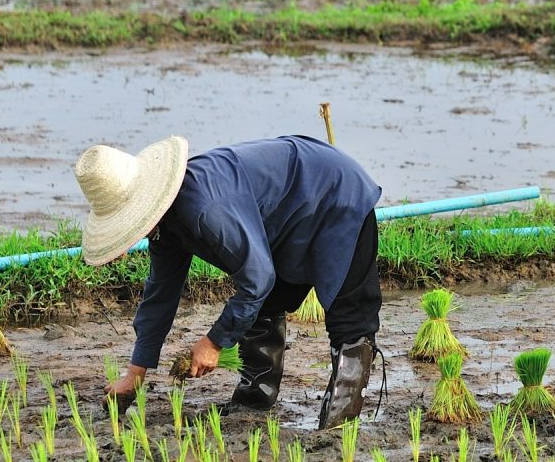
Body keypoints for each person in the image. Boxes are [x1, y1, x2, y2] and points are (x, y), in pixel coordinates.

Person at [73, 134, 383, 429]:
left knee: (349, 318)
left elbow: (257, 280)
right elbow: (160, 294)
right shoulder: (166, 223)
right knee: (264, 300)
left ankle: (340, 426)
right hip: (287, 213)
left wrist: (213, 342)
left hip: (334, 193)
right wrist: (135, 373)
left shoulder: (207, 211)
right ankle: (255, 397)